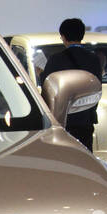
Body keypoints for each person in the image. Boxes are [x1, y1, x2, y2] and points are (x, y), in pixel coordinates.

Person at [38, 18, 101, 150]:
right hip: (86, 118)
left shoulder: (56, 59)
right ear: (82, 35)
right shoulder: (94, 59)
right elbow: (97, 87)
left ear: (63, 36)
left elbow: (48, 86)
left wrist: (40, 74)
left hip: (63, 119)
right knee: (85, 154)